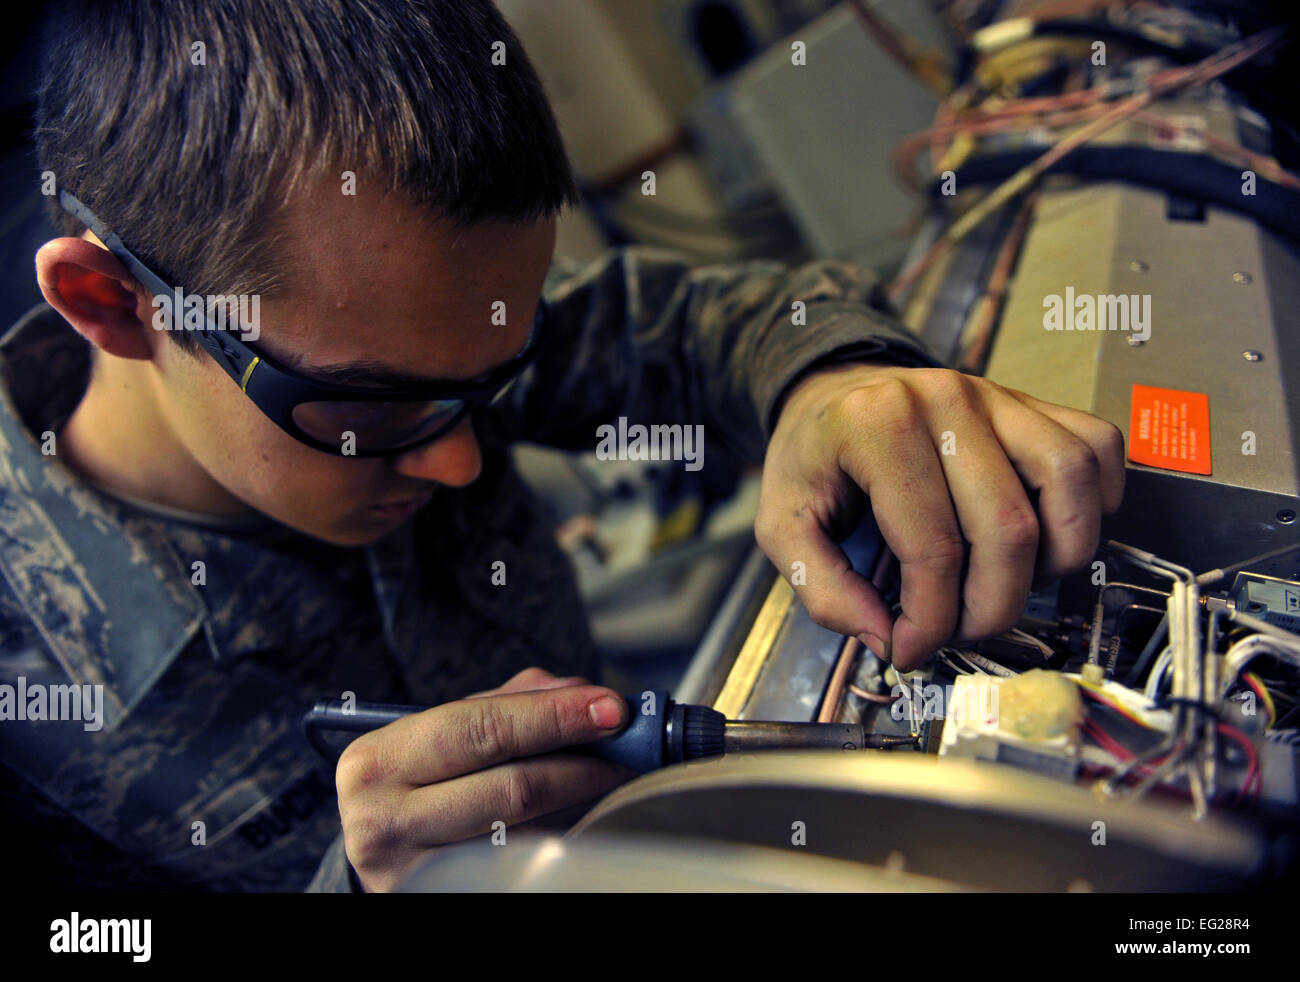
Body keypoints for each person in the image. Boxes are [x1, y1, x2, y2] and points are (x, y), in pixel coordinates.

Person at [0, 0, 1123, 892]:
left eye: (493, 381)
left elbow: (696, 324)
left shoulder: (401, 335)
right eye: (372, 413)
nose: (460, 463)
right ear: (110, 303)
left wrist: (832, 380)